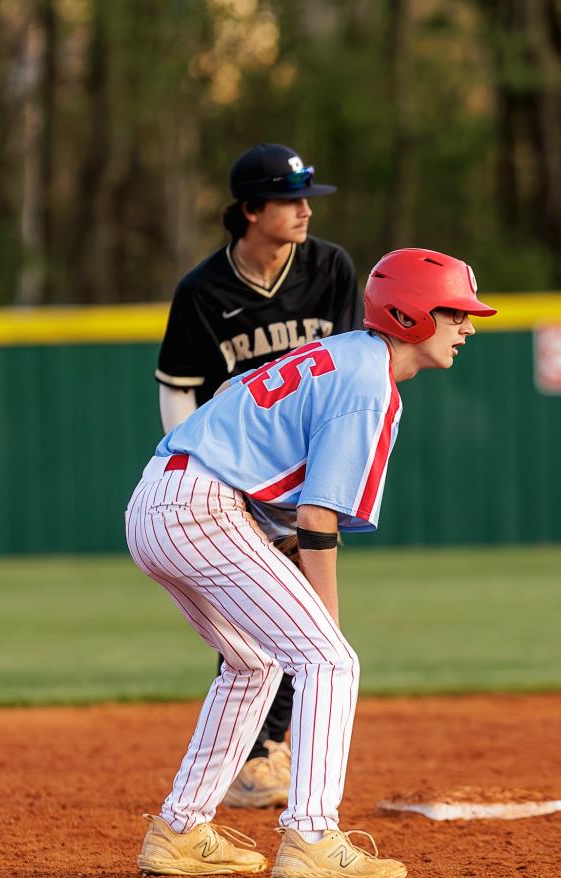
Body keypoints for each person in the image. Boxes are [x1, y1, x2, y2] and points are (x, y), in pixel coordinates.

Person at [126, 248, 496, 878]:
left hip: (162, 501)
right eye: (456, 313)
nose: (468, 327)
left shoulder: (349, 358)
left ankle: (180, 829)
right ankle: (312, 837)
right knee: (330, 658)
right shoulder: (367, 382)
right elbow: (317, 520)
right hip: (202, 508)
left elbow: (299, 516)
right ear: (411, 315)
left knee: (256, 662)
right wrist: (326, 625)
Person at [155, 143, 363, 810]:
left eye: (307, 198)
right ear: (249, 210)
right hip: (229, 474)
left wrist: (322, 487)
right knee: (259, 623)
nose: (305, 210)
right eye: (289, 199)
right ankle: (261, 754)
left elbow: (351, 370)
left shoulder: (330, 268)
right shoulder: (202, 291)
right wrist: (204, 475)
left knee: (278, 620)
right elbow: (179, 391)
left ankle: (264, 751)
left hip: (303, 471)